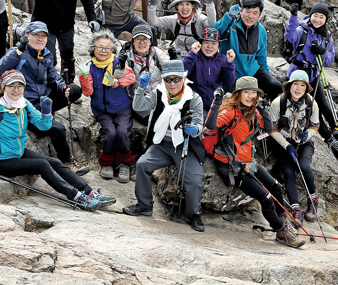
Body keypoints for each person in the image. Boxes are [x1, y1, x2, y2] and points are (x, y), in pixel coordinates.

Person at [0, 70, 114, 210]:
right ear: (3, 87)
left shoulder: (23, 104)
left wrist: (46, 112)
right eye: (12, 86)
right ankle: (75, 196)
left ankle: (89, 192)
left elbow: (44, 126)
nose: (16, 90)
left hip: (17, 152)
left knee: (55, 161)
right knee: (42, 164)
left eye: (20, 86)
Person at [211, 76, 305, 248]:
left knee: (276, 187)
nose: (250, 96)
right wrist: (216, 105)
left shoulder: (252, 112)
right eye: (246, 92)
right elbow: (210, 126)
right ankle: (281, 231)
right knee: (266, 198)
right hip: (232, 166)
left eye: (253, 92)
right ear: (237, 94)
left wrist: (263, 109)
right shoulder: (229, 112)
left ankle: (283, 221)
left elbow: (268, 130)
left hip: (248, 162)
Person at [124, 60, 206, 231]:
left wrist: (194, 129)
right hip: (161, 144)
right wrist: (140, 89)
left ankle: (193, 214)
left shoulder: (194, 98)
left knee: (194, 181)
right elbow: (139, 107)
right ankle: (144, 206)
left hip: (186, 146)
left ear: (184, 78)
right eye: (168, 79)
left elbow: (199, 124)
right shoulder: (158, 93)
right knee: (142, 165)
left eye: (176, 79)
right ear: (163, 80)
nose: (172, 83)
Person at [0, 21, 88, 175]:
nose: (40, 39)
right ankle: (67, 161)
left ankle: (46, 113)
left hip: (43, 100)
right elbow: (0, 68)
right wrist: (18, 51)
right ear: (27, 36)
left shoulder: (46, 54)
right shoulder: (18, 52)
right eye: (35, 35)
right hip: (24, 104)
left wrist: (63, 87)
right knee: (58, 128)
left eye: (43, 36)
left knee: (74, 90)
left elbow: (53, 76)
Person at [284, 0, 338, 158]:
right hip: (298, 74)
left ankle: (337, 130)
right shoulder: (301, 29)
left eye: (321, 17)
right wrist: (293, 16)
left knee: (324, 106)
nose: (317, 20)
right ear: (310, 16)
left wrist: (323, 51)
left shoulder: (327, 36)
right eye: (315, 16)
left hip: (314, 75)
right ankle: (329, 139)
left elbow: (330, 59)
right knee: (310, 109)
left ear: (326, 20)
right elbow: (290, 37)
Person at [76, 30, 137, 183]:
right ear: (93, 48)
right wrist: (84, 76)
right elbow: (88, 92)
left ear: (113, 50)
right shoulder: (89, 66)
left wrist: (116, 82)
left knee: (122, 131)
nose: (103, 51)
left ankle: (125, 163)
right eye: (99, 47)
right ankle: (107, 163)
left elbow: (131, 77)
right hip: (101, 110)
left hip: (122, 107)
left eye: (107, 48)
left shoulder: (118, 63)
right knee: (110, 132)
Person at [269, 71, 321, 225]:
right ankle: (296, 209)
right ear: (289, 85)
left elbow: (315, 125)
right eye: (295, 84)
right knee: (288, 171)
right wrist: (287, 146)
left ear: (306, 88)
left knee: (304, 166)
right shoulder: (278, 103)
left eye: (302, 85)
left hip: (304, 143)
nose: (298, 88)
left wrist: (309, 134)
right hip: (284, 143)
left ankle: (313, 201)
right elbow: (272, 129)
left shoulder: (312, 103)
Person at [214, 0, 281, 100]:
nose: (250, 16)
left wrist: (268, 76)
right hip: (232, 73)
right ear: (241, 11)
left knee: (275, 87)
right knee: (232, 100)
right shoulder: (231, 23)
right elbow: (215, 33)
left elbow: (262, 57)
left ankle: (266, 111)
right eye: (247, 11)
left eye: (255, 13)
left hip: (252, 72)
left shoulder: (261, 30)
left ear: (259, 16)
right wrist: (228, 16)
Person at [147, 0, 217, 58]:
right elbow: (153, 21)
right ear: (177, 6)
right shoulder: (173, 19)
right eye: (181, 4)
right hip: (178, 56)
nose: (184, 8)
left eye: (187, 4)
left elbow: (211, 25)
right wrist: (152, 5)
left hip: (198, 56)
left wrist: (209, 4)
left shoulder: (200, 19)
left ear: (193, 6)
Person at [182, 28, 237, 109]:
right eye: (206, 42)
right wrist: (192, 54)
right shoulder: (194, 57)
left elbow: (229, 82)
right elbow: (183, 73)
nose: (210, 46)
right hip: (195, 105)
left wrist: (230, 63)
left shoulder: (222, 59)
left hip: (216, 105)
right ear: (200, 44)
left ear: (218, 45)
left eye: (214, 43)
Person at [118, 24, 169, 109]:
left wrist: (174, 58)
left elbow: (171, 70)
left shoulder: (157, 53)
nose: (142, 42)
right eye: (138, 39)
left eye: (145, 39)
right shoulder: (127, 56)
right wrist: (121, 66)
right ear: (133, 42)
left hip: (159, 97)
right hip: (139, 101)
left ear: (150, 42)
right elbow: (118, 79)